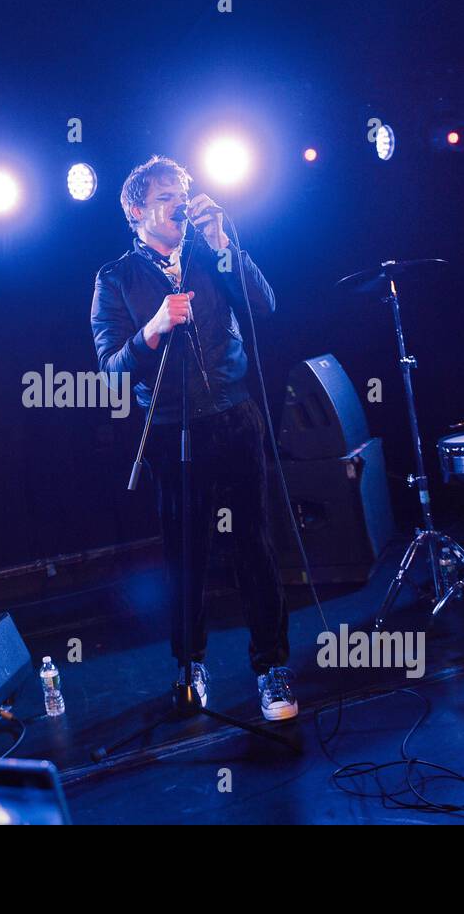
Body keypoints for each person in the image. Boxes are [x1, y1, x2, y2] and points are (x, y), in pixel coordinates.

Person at [90, 156, 297, 721]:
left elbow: (264, 305)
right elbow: (109, 370)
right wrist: (153, 328)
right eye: (166, 197)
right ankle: (190, 665)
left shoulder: (210, 253)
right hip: (171, 432)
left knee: (254, 543)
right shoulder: (116, 278)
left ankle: (272, 667)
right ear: (136, 210)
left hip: (234, 416)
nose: (181, 204)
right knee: (188, 555)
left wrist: (225, 242)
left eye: (184, 193)